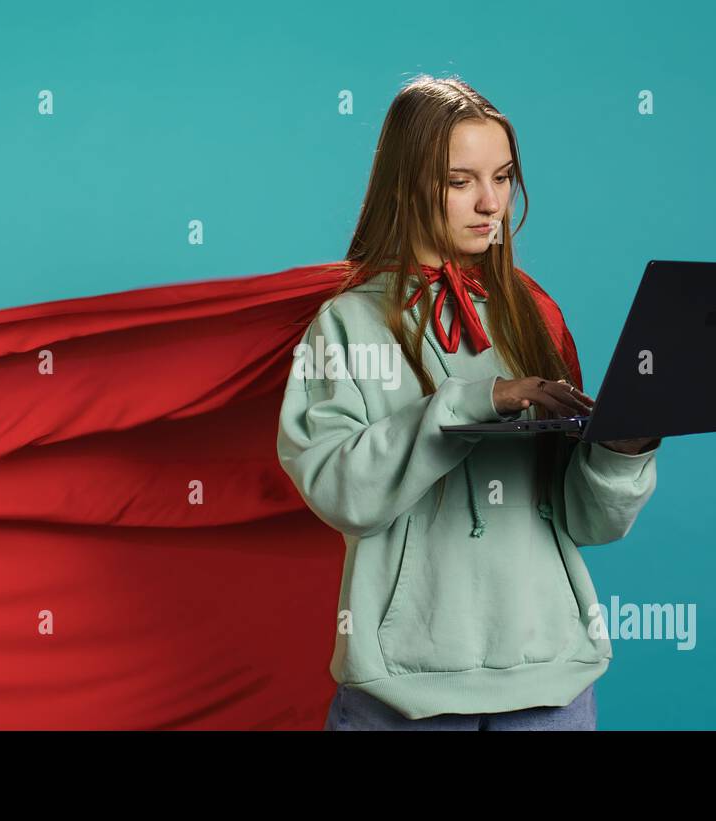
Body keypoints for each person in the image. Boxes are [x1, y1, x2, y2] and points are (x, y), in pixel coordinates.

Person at [276, 75, 661, 731]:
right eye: (461, 181)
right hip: (404, 691)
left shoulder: (534, 315)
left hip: (553, 684)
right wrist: (478, 402)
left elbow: (586, 520)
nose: (491, 203)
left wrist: (624, 451)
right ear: (407, 185)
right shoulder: (345, 326)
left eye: (504, 177)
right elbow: (340, 489)